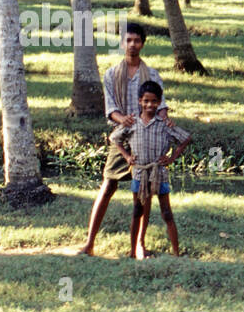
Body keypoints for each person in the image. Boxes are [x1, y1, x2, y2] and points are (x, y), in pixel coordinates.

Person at [78, 22, 173, 255]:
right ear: (122, 43)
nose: (132, 45)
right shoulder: (111, 74)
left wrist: (164, 122)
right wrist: (124, 120)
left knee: (143, 193)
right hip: (123, 138)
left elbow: (161, 106)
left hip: (147, 138)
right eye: (128, 40)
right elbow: (110, 109)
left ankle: (140, 244)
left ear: (143, 44)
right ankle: (89, 243)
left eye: (137, 40)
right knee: (108, 185)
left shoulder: (152, 75)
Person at [110, 81, 191, 259]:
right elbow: (114, 138)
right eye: (146, 101)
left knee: (166, 212)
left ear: (159, 102)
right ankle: (133, 252)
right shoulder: (132, 123)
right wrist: (127, 157)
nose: (150, 105)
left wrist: (171, 158)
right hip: (139, 173)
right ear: (140, 101)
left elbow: (185, 139)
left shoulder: (164, 125)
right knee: (137, 211)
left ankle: (176, 253)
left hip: (159, 173)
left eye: (154, 101)